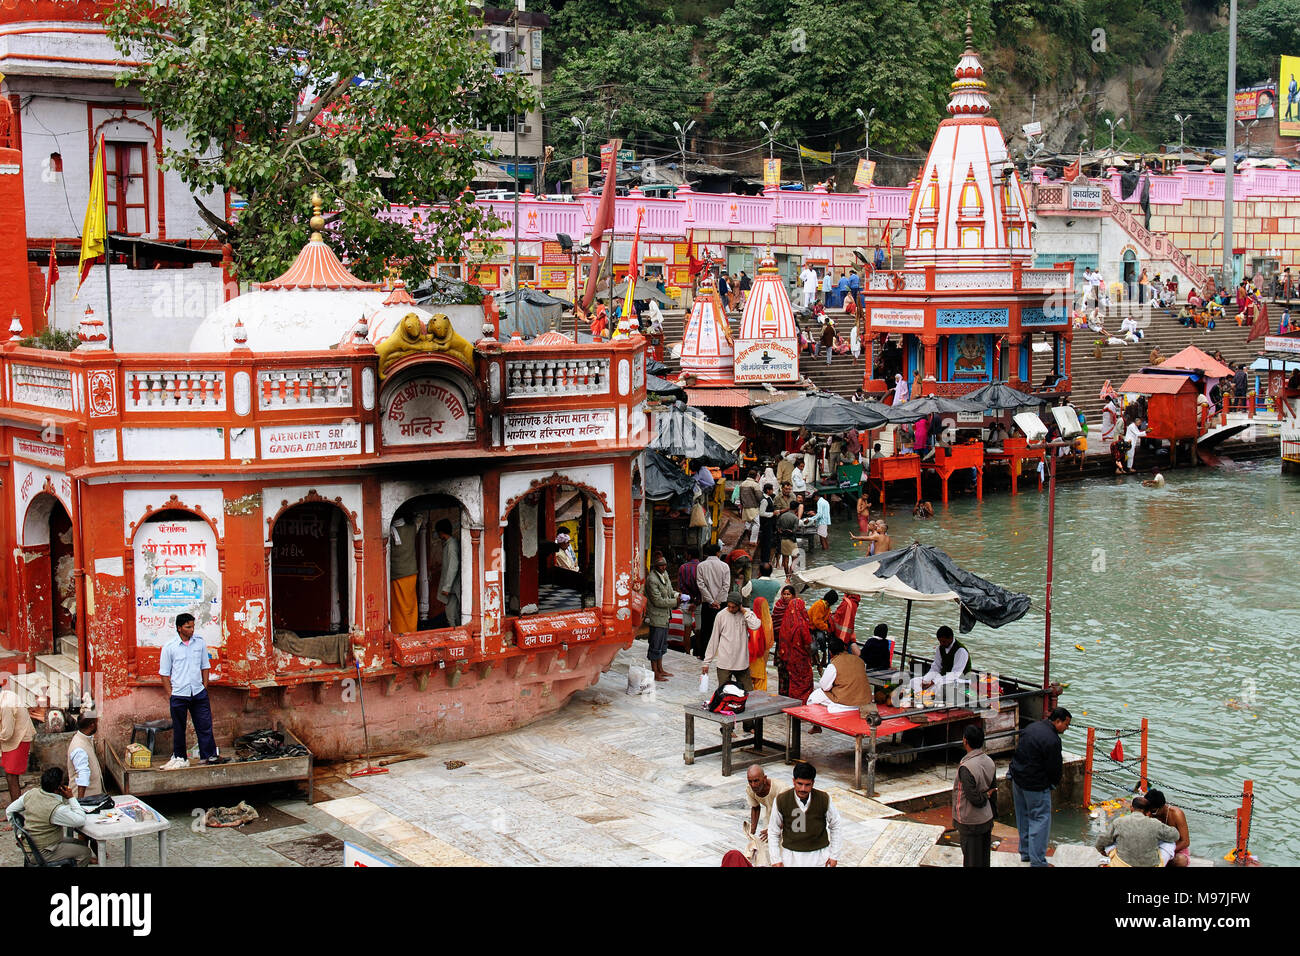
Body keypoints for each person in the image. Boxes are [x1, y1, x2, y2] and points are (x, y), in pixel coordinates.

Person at [159, 612, 226, 768]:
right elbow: (164, 674)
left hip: (198, 692)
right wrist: (171, 695)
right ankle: (181, 758)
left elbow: (205, 666)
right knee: (179, 728)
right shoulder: (169, 647)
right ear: (179, 628)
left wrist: (204, 687)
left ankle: (208, 756)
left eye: (193, 626)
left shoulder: (200, 643)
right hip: (179, 694)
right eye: (188, 627)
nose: (192, 630)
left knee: (205, 725)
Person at [1009, 706, 1072, 867]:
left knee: (1023, 818)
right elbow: (1054, 768)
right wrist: (1052, 784)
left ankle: (1025, 854)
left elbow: (1019, 752)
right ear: (1058, 721)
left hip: (1018, 780)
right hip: (1036, 786)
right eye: (1066, 724)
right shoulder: (1053, 740)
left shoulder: (1031, 728)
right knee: (1040, 821)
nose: (1067, 728)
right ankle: (1037, 861)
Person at [5, 767, 92, 865]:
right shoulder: (56, 809)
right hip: (42, 850)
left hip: (35, 842)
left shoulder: (31, 793)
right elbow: (80, 820)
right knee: (85, 852)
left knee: (80, 844)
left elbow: (10, 810)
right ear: (59, 788)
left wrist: (18, 832)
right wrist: (71, 797)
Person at [768, 762, 842, 867]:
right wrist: (775, 859)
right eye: (799, 784)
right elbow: (773, 831)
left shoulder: (824, 798)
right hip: (791, 857)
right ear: (793, 781)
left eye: (807, 785)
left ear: (813, 783)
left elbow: (836, 825)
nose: (803, 789)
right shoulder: (781, 800)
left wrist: (834, 855)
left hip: (819, 857)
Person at [953, 724, 997, 867]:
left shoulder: (966, 767)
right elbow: (993, 791)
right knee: (984, 858)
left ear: (965, 741)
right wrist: (988, 796)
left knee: (971, 860)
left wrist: (984, 796)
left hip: (970, 821)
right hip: (986, 818)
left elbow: (974, 798)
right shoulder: (990, 762)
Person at [1095, 797, 1182, 867]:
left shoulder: (1119, 821)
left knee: (1110, 839)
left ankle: (1111, 861)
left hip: (1121, 865)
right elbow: (1175, 836)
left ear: (1131, 808)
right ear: (1148, 813)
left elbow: (1101, 841)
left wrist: (1102, 851)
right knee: (1170, 844)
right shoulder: (1155, 823)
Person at [700, 592, 760, 691]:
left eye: (734, 607)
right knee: (723, 694)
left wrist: (744, 612)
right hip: (725, 663)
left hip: (741, 663)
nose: (731, 609)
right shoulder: (721, 615)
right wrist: (706, 662)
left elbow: (756, 625)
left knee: (749, 693)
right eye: (729, 606)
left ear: (739, 606)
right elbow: (714, 639)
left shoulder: (746, 614)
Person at [808, 637, 872, 713]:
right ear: (844, 648)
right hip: (864, 701)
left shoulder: (834, 665)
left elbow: (825, 687)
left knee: (814, 697)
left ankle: (817, 723)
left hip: (845, 703)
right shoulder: (859, 660)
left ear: (830, 652)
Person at [1135, 789, 1191, 867]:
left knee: (1180, 860)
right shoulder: (1148, 813)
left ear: (1162, 806)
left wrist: (1166, 852)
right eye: (1148, 811)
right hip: (1153, 848)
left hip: (1175, 849)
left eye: (1153, 811)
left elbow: (1185, 842)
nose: (1150, 814)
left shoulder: (1176, 814)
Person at [1, 674, 36, 801]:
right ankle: (13, 809)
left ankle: (15, 811)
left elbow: (7, 732)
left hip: (18, 739)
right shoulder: (5, 696)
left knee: (11, 775)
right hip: (13, 738)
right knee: (9, 775)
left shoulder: (5, 705)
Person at [745, 765, 788, 866]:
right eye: (750, 781)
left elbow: (786, 814)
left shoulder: (781, 789)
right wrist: (752, 830)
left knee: (785, 849)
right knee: (766, 848)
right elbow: (755, 807)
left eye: (756, 781)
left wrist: (773, 828)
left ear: (764, 779)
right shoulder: (750, 789)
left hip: (789, 818)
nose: (753, 785)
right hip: (771, 815)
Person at [910, 625, 971, 694]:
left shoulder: (961, 651)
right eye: (940, 641)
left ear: (951, 638)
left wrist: (933, 682)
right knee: (913, 682)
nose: (941, 644)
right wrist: (926, 680)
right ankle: (921, 695)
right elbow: (935, 667)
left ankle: (923, 696)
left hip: (960, 682)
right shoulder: (940, 648)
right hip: (941, 679)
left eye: (944, 641)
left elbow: (955, 675)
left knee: (936, 688)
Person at [695, 543, 731, 659]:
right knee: (722, 628)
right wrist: (718, 601)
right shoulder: (724, 566)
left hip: (707, 603)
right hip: (721, 603)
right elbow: (726, 586)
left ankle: (705, 654)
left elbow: (701, 585)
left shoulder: (701, 566)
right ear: (717, 553)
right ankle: (720, 655)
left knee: (706, 628)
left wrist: (711, 601)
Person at [644, 554, 677, 682]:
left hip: (665, 615)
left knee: (662, 644)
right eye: (661, 566)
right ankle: (655, 672)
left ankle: (660, 669)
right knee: (655, 644)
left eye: (664, 565)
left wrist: (678, 595)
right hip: (656, 616)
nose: (664, 567)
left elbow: (670, 591)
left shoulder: (665, 575)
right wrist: (676, 602)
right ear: (656, 567)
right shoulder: (652, 579)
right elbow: (657, 601)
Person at [778, 596, 815, 705]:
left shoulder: (785, 623)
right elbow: (808, 643)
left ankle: (793, 703)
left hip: (789, 658)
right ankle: (801, 704)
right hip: (801, 659)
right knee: (804, 682)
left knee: (793, 681)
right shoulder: (801, 624)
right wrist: (810, 655)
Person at [66, 715, 104, 798]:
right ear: (92, 725)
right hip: (86, 799)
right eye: (97, 723)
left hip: (92, 796)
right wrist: (81, 802)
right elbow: (83, 776)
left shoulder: (85, 739)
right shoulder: (79, 747)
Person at [434, 518, 460, 628]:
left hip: (452, 587)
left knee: (451, 614)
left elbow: (453, 567)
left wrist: (447, 587)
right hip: (452, 587)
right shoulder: (450, 544)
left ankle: (457, 633)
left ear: (440, 532)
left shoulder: (451, 545)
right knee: (453, 613)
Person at [749, 596, 775, 692]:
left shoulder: (752, 622)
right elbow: (769, 643)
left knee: (752, 679)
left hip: (752, 656)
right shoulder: (768, 622)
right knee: (760, 680)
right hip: (761, 655)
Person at [738, 468, 763, 550]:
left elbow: (740, 496)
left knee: (748, 523)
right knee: (756, 524)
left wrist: (742, 505)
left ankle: (750, 538)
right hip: (753, 507)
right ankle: (752, 541)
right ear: (755, 476)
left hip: (745, 506)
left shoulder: (742, 484)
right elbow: (759, 497)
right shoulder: (755, 485)